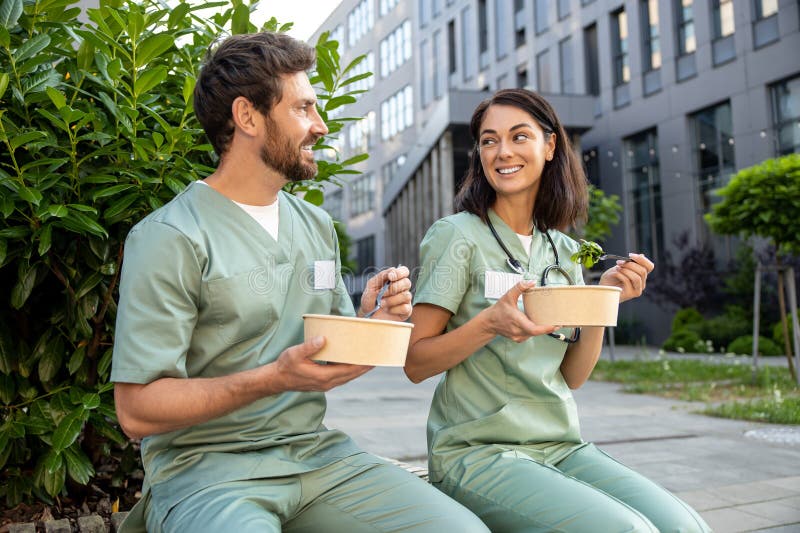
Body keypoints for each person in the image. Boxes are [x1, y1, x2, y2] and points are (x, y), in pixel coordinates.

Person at [111, 31, 488, 533]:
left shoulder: (314, 226)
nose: (320, 125)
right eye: (303, 109)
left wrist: (373, 325)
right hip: (207, 471)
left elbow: (323, 360)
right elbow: (136, 411)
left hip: (316, 457)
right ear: (248, 117)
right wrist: (273, 378)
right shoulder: (170, 237)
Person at [406, 88, 711, 532]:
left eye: (518, 136)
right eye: (489, 140)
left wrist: (602, 301)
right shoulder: (457, 236)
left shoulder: (566, 251)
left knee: (686, 526)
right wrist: (488, 324)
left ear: (550, 146)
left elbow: (571, 377)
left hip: (560, 445)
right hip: (477, 452)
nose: (502, 151)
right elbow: (415, 362)